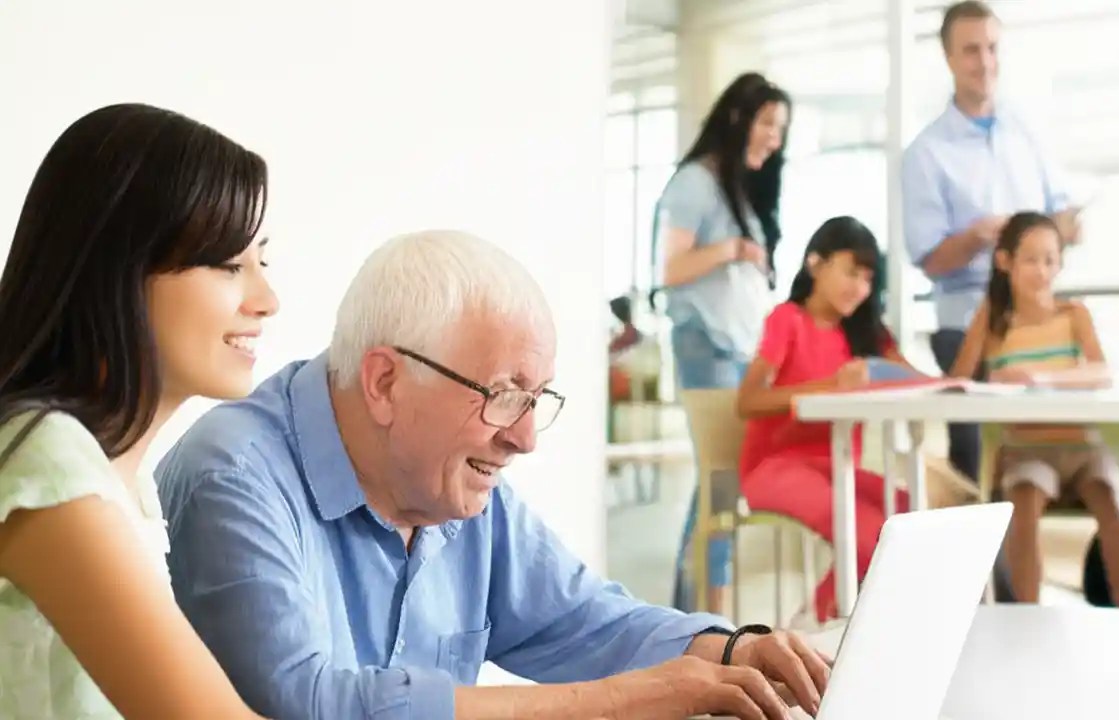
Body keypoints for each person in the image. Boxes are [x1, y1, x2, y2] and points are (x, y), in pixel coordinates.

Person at [156, 230, 831, 720]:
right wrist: (622, 701)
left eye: (537, 399)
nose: (526, 437)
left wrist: (732, 653)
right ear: (385, 381)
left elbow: (583, 620)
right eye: (505, 394)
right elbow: (302, 705)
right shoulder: (234, 475)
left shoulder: (453, 490)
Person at [0, 103, 275, 718]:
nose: (268, 300)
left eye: (264, 261)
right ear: (121, 269)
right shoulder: (48, 460)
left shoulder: (126, 484)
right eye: (230, 264)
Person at [902, 0, 1081, 489]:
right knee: (979, 465)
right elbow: (931, 261)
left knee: (1044, 457)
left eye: (992, 48)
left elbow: (1061, 212)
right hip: (965, 326)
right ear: (948, 58)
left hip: (1036, 326)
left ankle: (1020, 566)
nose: (985, 61)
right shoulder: (925, 154)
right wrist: (980, 236)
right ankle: (982, 565)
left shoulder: (1028, 132)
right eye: (971, 50)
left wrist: (1062, 228)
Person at [950, 213, 1119, 608]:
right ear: (1005, 262)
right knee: (1023, 494)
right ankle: (1027, 617)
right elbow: (958, 379)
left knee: (1111, 496)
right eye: (1031, 260)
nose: (1041, 271)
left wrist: (1039, 377)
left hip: (1082, 446)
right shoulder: (993, 320)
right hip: (1025, 447)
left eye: (1050, 260)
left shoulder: (1074, 315)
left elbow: (1101, 371)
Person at [656, 71, 791, 613]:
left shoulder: (734, 188)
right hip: (706, 348)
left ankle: (703, 602)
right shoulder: (694, 182)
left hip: (734, 352)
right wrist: (733, 248)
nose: (774, 139)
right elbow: (670, 267)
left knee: (720, 483)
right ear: (737, 119)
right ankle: (697, 606)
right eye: (767, 124)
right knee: (719, 479)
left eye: (781, 129)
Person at [736, 217, 913, 625]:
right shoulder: (788, 320)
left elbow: (915, 378)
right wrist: (832, 384)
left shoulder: (867, 334)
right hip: (775, 469)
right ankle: (813, 630)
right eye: (851, 272)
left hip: (837, 469)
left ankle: (815, 621)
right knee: (872, 534)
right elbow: (748, 401)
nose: (860, 288)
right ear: (816, 263)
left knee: (911, 514)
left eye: (868, 279)